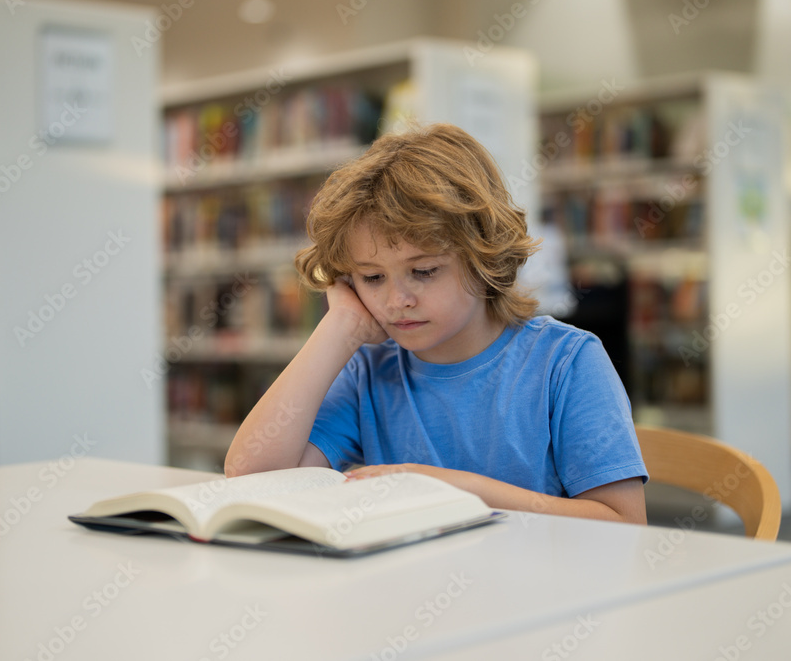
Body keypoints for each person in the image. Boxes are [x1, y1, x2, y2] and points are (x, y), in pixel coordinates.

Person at [224, 123, 648, 524]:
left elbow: (624, 524)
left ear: (486, 255)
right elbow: (250, 478)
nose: (397, 301)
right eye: (372, 277)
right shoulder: (368, 371)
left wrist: (452, 489)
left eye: (424, 271)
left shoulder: (566, 362)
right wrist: (339, 329)